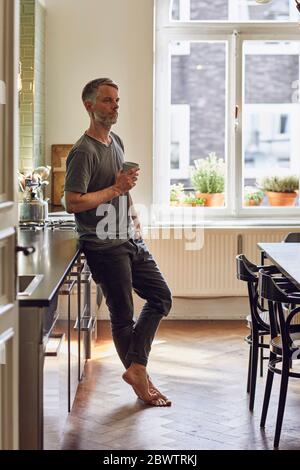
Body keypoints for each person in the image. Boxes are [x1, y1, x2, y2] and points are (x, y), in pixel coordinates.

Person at [64, 78, 172, 407]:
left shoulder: (116, 141)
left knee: (161, 297)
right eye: (108, 101)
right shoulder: (82, 152)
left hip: (127, 237)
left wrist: (134, 215)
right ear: (89, 106)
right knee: (123, 316)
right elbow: (72, 202)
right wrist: (116, 189)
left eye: (116, 101)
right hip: (103, 246)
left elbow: (123, 187)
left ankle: (137, 367)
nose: (115, 106)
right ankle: (140, 379)